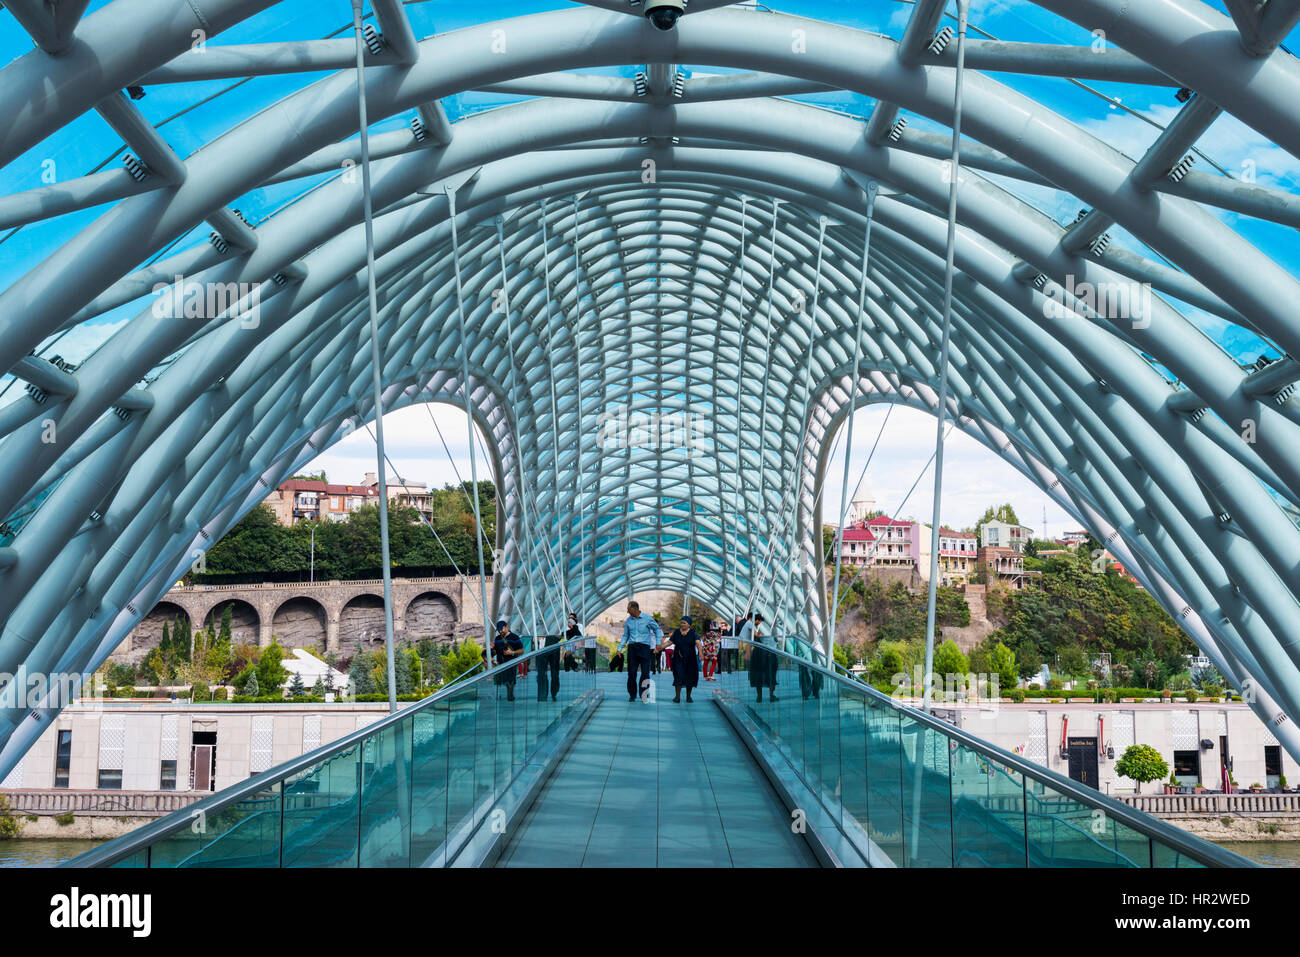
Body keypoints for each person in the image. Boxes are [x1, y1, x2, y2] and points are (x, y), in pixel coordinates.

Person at [618, 600, 662, 702]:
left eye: (628, 610)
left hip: (644, 648)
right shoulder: (628, 621)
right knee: (631, 673)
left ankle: (644, 694)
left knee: (645, 673)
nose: (627, 612)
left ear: (635, 609)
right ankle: (632, 694)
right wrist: (619, 649)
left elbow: (657, 629)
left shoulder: (647, 618)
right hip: (632, 648)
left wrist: (658, 643)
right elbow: (625, 636)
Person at [659, 615, 700, 703]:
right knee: (678, 675)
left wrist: (700, 653)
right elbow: (670, 642)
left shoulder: (693, 633)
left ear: (689, 624)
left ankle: (688, 697)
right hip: (678, 658)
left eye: (684, 623)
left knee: (690, 677)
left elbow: (698, 643)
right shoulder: (677, 632)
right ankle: (677, 697)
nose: (682, 624)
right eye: (681, 623)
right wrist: (660, 647)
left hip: (690, 659)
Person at [742, 613, 778, 703]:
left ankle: (759, 697)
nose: (759, 624)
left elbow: (753, 638)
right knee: (771, 674)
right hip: (766, 653)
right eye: (759, 622)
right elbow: (758, 636)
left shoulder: (753, 626)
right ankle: (771, 695)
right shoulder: (752, 624)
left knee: (758, 675)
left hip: (756, 654)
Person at [492, 619, 524, 702]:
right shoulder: (497, 638)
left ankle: (510, 697)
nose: (500, 631)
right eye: (498, 630)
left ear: (506, 627)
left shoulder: (514, 637)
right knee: (501, 682)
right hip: (501, 664)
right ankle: (505, 698)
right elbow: (495, 651)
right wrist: (492, 649)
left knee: (510, 682)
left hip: (511, 663)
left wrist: (512, 652)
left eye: (501, 629)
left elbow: (521, 650)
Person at [536, 627, 563, 703]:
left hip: (553, 647)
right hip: (541, 648)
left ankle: (553, 693)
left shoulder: (557, 619)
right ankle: (543, 695)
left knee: (554, 673)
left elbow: (562, 634)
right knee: (542, 673)